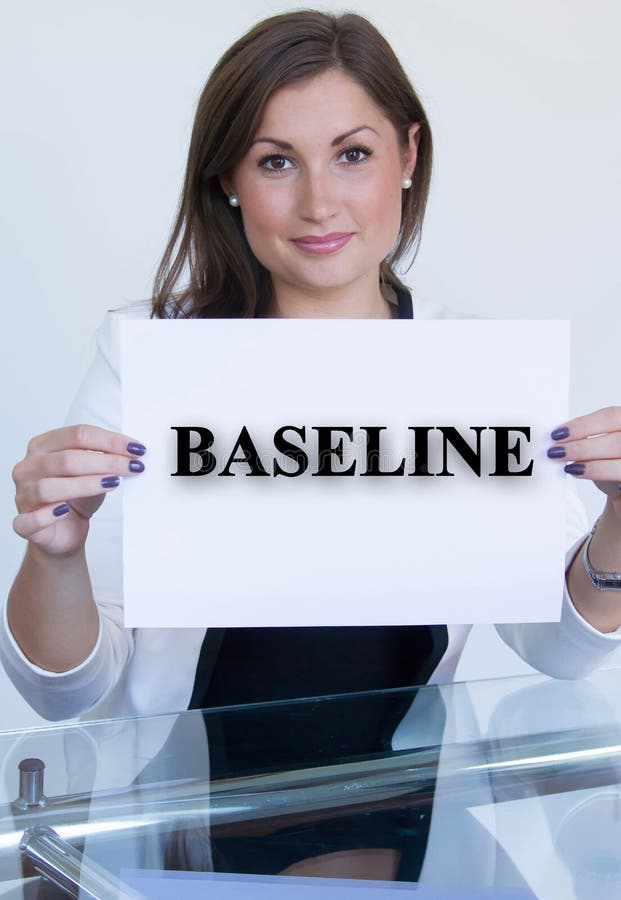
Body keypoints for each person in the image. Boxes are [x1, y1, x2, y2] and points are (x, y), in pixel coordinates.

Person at [3, 8, 621, 881]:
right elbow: (63, 691)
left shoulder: (477, 371)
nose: (318, 201)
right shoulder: (152, 360)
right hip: (179, 833)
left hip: (408, 818)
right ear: (227, 178)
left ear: (408, 156)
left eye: (353, 153)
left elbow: (555, 651)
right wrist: (55, 554)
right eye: (275, 161)